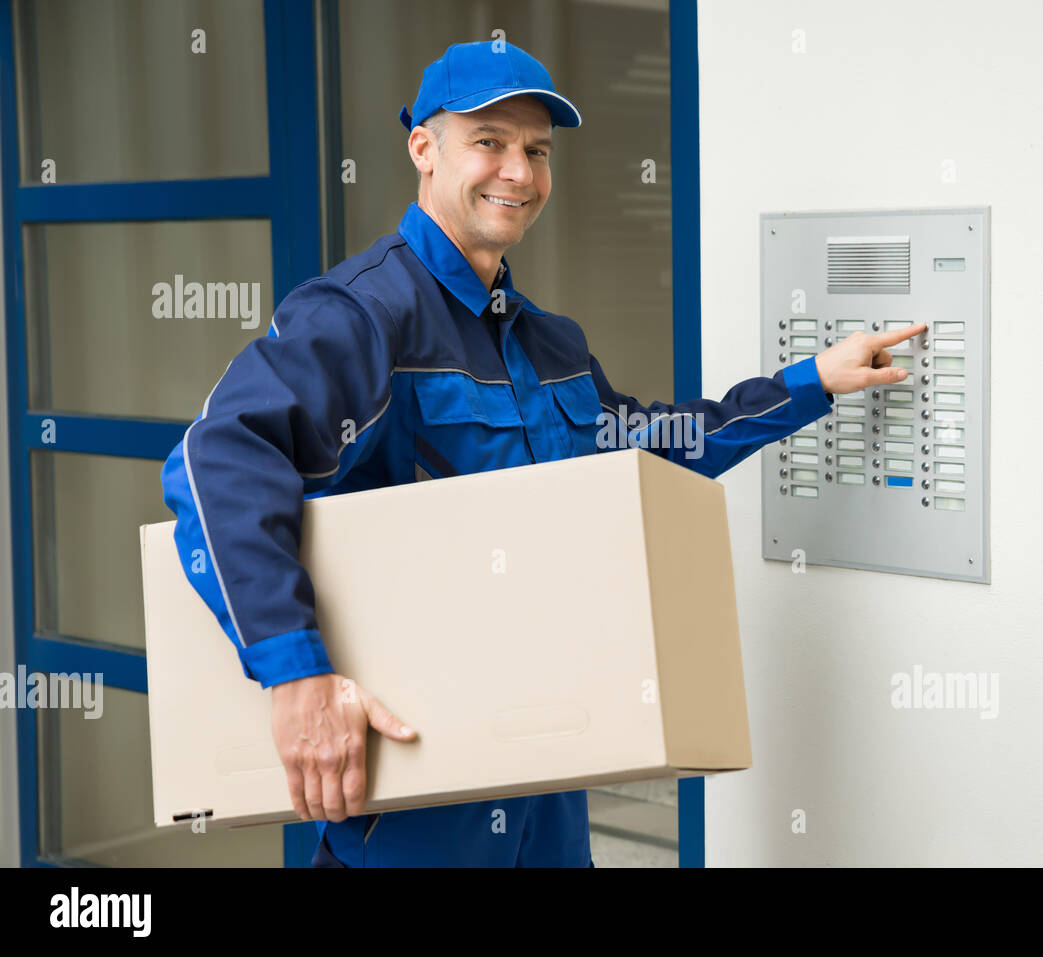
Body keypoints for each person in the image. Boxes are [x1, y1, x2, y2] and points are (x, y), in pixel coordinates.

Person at [160, 39, 924, 867]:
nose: (518, 172)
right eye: (489, 142)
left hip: (542, 774)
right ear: (424, 147)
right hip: (415, 800)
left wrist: (809, 382)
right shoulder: (361, 317)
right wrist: (294, 674)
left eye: (536, 150)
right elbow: (217, 463)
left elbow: (648, 448)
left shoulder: (549, 341)